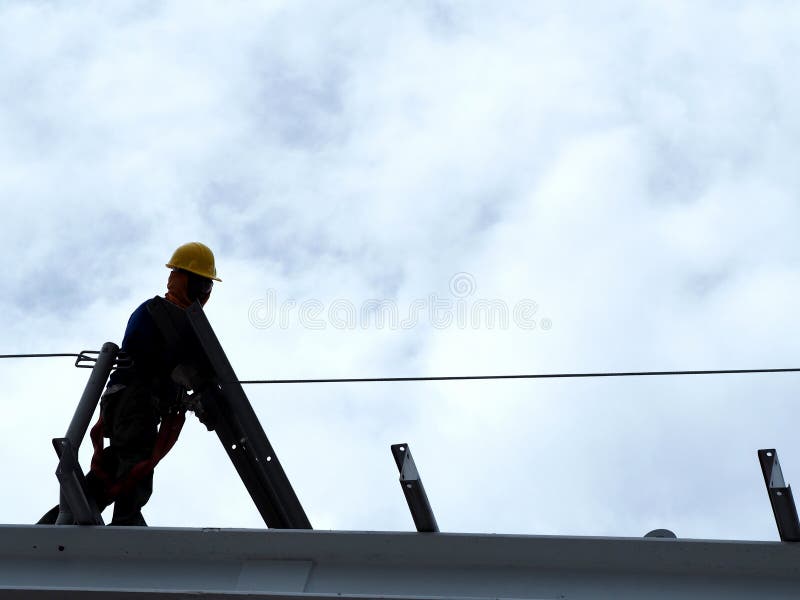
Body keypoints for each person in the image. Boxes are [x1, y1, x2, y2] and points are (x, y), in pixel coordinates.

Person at [83, 242, 221, 525]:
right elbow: (146, 356)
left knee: (115, 462)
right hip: (133, 397)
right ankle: (127, 521)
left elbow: (185, 374)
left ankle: (74, 509)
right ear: (182, 279)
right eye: (201, 283)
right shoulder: (155, 312)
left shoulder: (187, 328)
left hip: (141, 401)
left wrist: (198, 399)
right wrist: (181, 375)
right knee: (137, 456)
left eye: (208, 286)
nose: (204, 292)